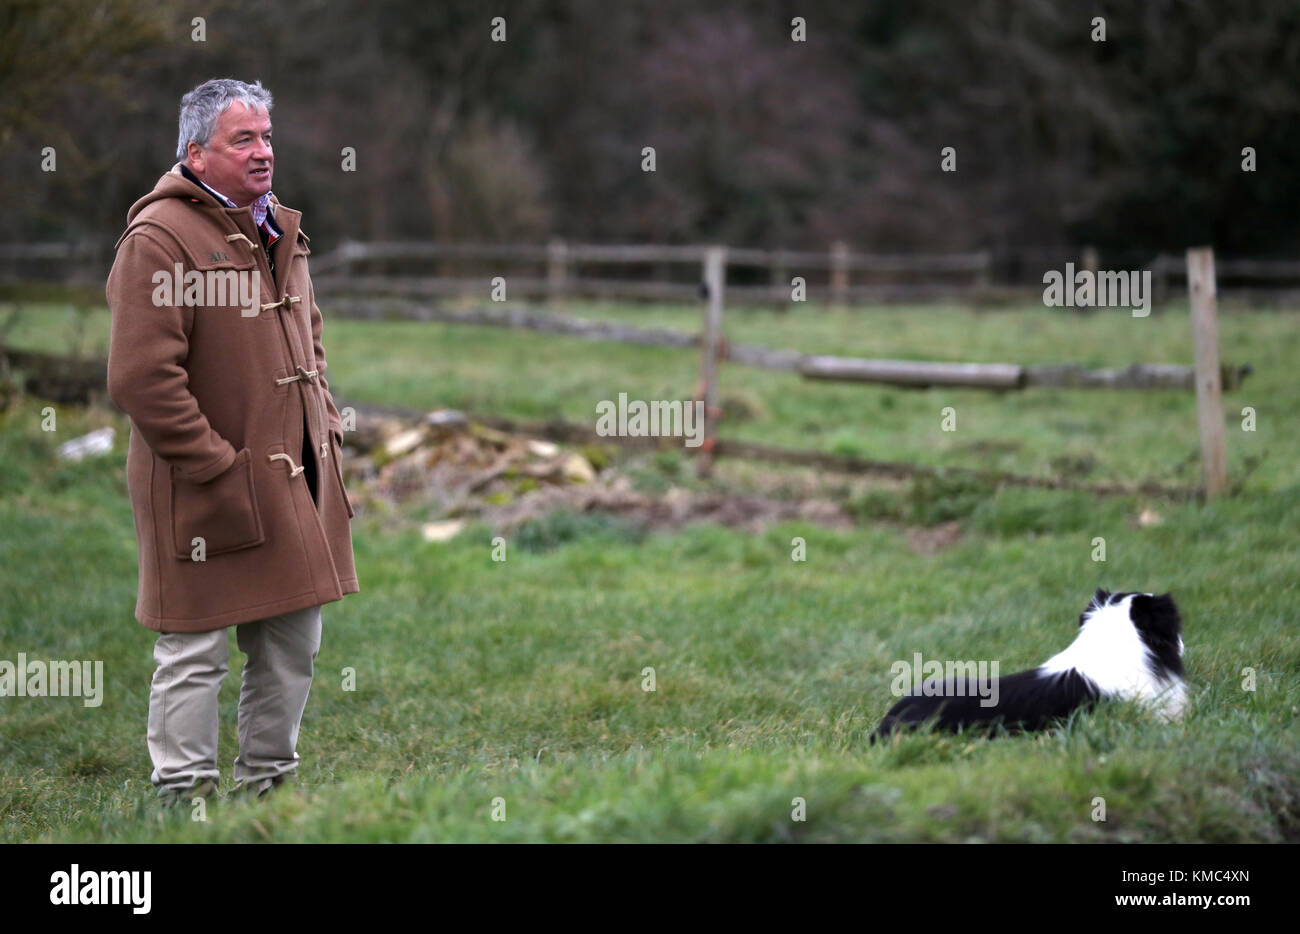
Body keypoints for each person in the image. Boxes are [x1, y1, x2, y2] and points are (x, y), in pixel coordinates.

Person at [106, 78, 359, 805]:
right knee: (193, 646)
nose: (262, 153)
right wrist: (215, 463)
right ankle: (183, 801)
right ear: (195, 151)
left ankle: (267, 795)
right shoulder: (159, 240)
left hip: (293, 477)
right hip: (202, 485)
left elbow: (307, 335)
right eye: (242, 139)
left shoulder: (278, 225)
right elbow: (142, 379)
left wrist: (323, 423)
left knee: (292, 643)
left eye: (268, 137)